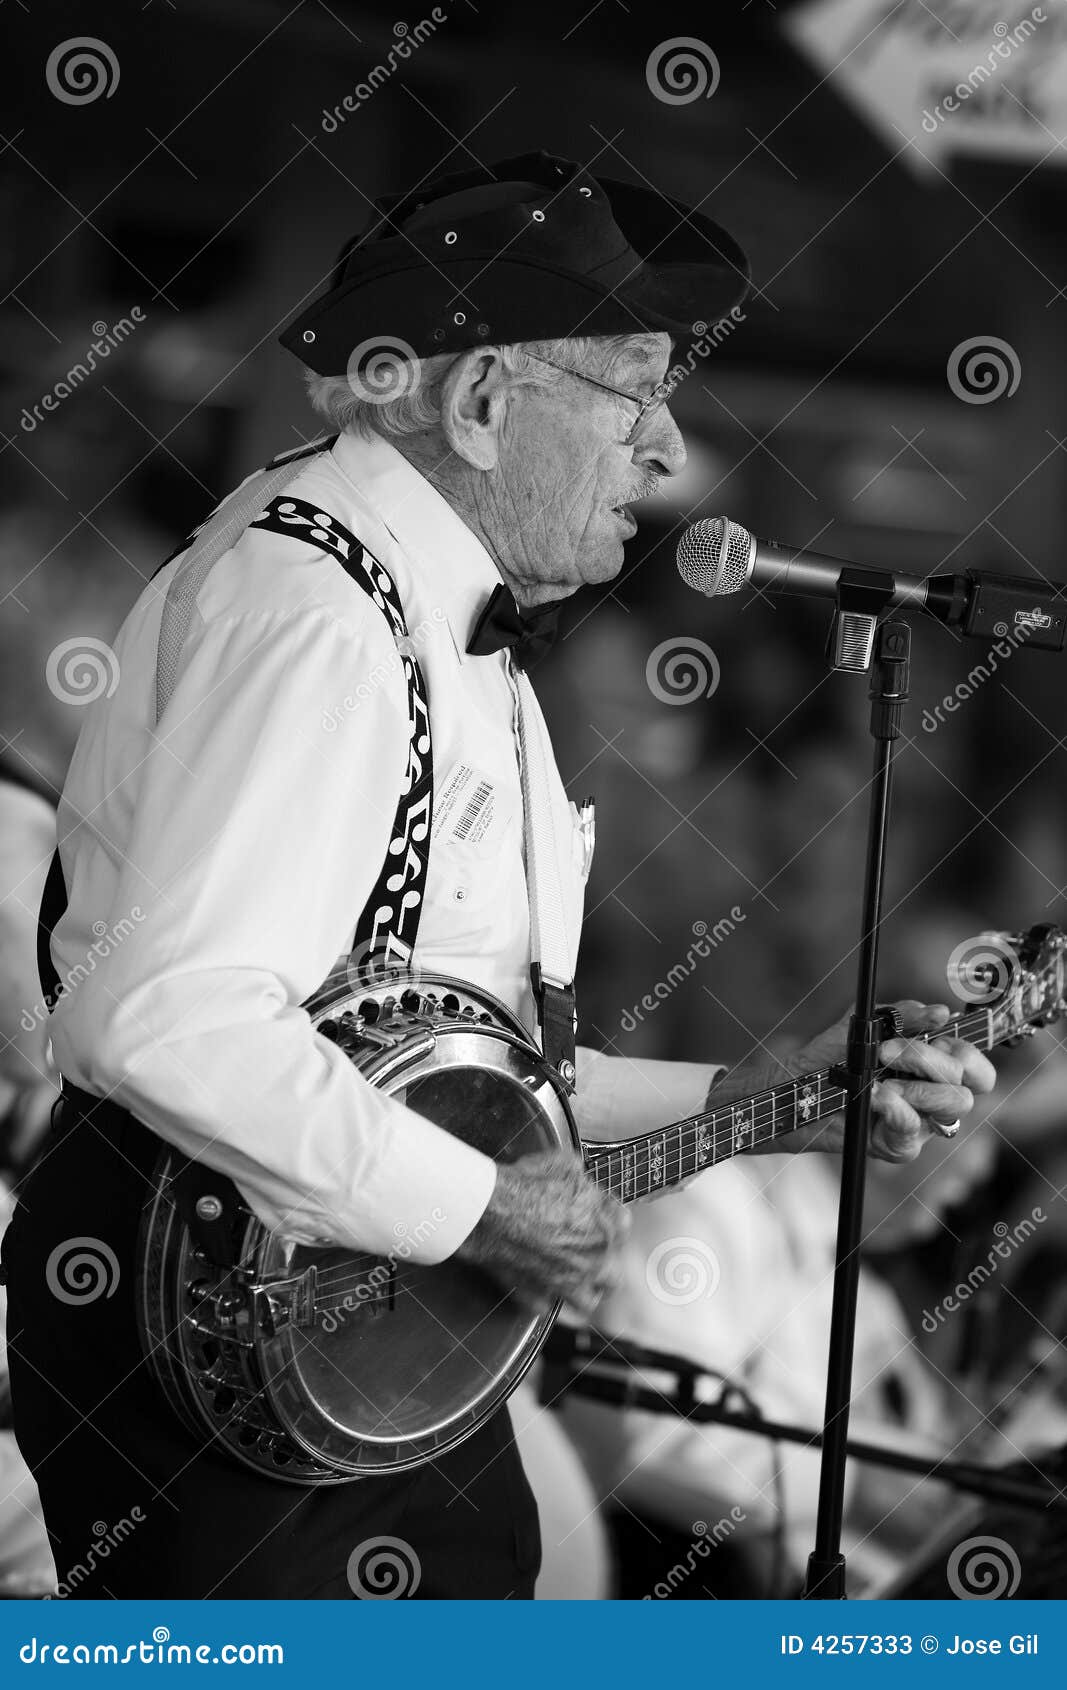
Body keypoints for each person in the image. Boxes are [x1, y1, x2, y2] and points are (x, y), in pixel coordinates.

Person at [2, 150, 994, 1600]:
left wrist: (767, 1100)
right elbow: (167, 1016)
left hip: (349, 1334)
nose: (665, 451)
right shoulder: (316, 612)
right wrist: (477, 1210)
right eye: (634, 390)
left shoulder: (460, 648)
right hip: (220, 1318)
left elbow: (470, 1078)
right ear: (478, 406)